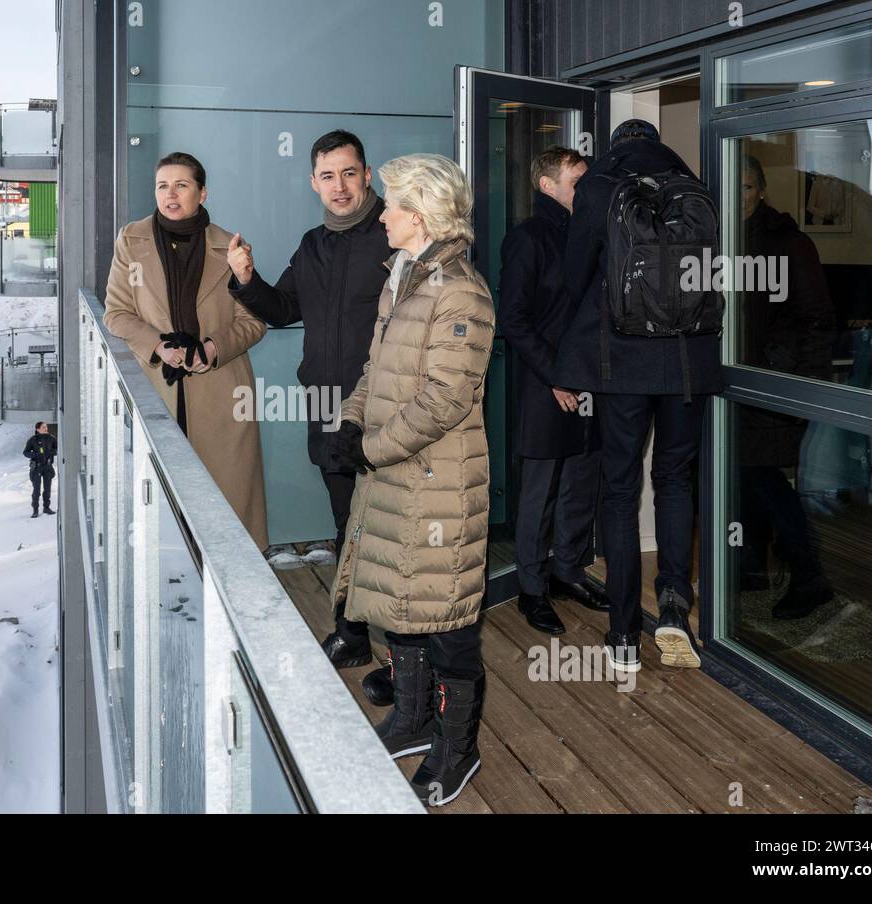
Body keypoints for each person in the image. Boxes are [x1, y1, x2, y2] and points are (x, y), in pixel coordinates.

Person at [329, 153, 494, 806]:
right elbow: (376, 371)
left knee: (448, 620)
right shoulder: (401, 277)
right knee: (402, 606)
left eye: (392, 204)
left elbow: (446, 397)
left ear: (421, 211)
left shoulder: (461, 290)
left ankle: (460, 748)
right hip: (396, 477)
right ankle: (414, 717)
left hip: (438, 485)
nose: (383, 215)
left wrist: (372, 447)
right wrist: (350, 422)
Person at [555, 119, 723, 674]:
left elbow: (575, 275)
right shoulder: (694, 187)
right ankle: (674, 607)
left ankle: (625, 632)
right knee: (675, 481)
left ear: (614, 146)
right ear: (656, 141)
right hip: (688, 367)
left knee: (621, 491)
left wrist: (562, 353)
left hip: (620, 364)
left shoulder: (598, 188)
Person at [227, 129, 392, 688]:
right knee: (346, 519)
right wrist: (247, 281)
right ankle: (354, 631)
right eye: (327, 176)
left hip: (387, 407)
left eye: (349, 173)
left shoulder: (397, 234)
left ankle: (405, 651)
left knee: (395, 526)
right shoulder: (314, 244)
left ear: (367, 175)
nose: (339, 186)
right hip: (327, 404)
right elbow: (282, 308)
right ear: (313, 183)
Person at [104, 151, 269, 549]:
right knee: (166, 514)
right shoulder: (131, 240)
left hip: (221, 392)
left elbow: (254, 322)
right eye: (162, 185)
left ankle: (231, 589)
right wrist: (158, 346)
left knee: (228, 516)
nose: (170, 194)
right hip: (159, 388)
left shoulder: (231, 247)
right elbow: (116, 314)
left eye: (181, 185)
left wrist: (211, 349)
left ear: (202, 193)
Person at [497, 146, 608, 636]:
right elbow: (514, 321)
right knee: (539, 495)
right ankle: (532, 589)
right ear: (548, 186)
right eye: (576, 181)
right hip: (546, 385)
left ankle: (567, 572)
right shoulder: (527, 238)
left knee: (581, 485)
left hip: (591, 381)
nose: (584, 190)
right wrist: (556, 377)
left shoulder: (589, 234)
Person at [737, 155, 836, 618]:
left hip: (776, 384)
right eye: (732, 187)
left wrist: (803, 388)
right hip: (735, 382)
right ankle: (752, 564)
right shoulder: (720, 240)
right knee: (743, 476)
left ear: (760, 190)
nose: (740, 197)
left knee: (768, 480)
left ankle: (809, 577)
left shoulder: (790, 243)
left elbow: (817, 320)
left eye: (747, 187)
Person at [24, 422, 57, 518]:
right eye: (43, 427)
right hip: (37, 468)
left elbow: (57, 449)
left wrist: (52, 452)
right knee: (36, 490)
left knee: (47, 489)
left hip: (47, 467)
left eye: (46, 427)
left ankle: (46, 507)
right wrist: (35, 455)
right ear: (38, 429)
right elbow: (25, 452)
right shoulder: (33, 440)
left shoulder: (51, 438)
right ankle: (35, 510)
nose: (46, 429)